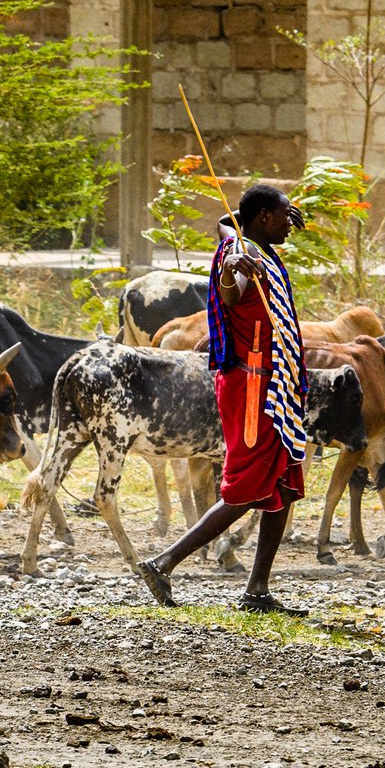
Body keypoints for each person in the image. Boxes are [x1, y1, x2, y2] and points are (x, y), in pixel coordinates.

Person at [135, 182, 312, 614]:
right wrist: (233, 266)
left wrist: (235, 240)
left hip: (277, 385)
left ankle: (257, 591)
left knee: (284, 484)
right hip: (254, 388)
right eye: (285, 214)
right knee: (248, 489)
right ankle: (163, 562)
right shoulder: (243, 262)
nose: (291, 222)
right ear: (264, 217)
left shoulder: (251, 245)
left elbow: (223, 223)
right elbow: (232, 293)